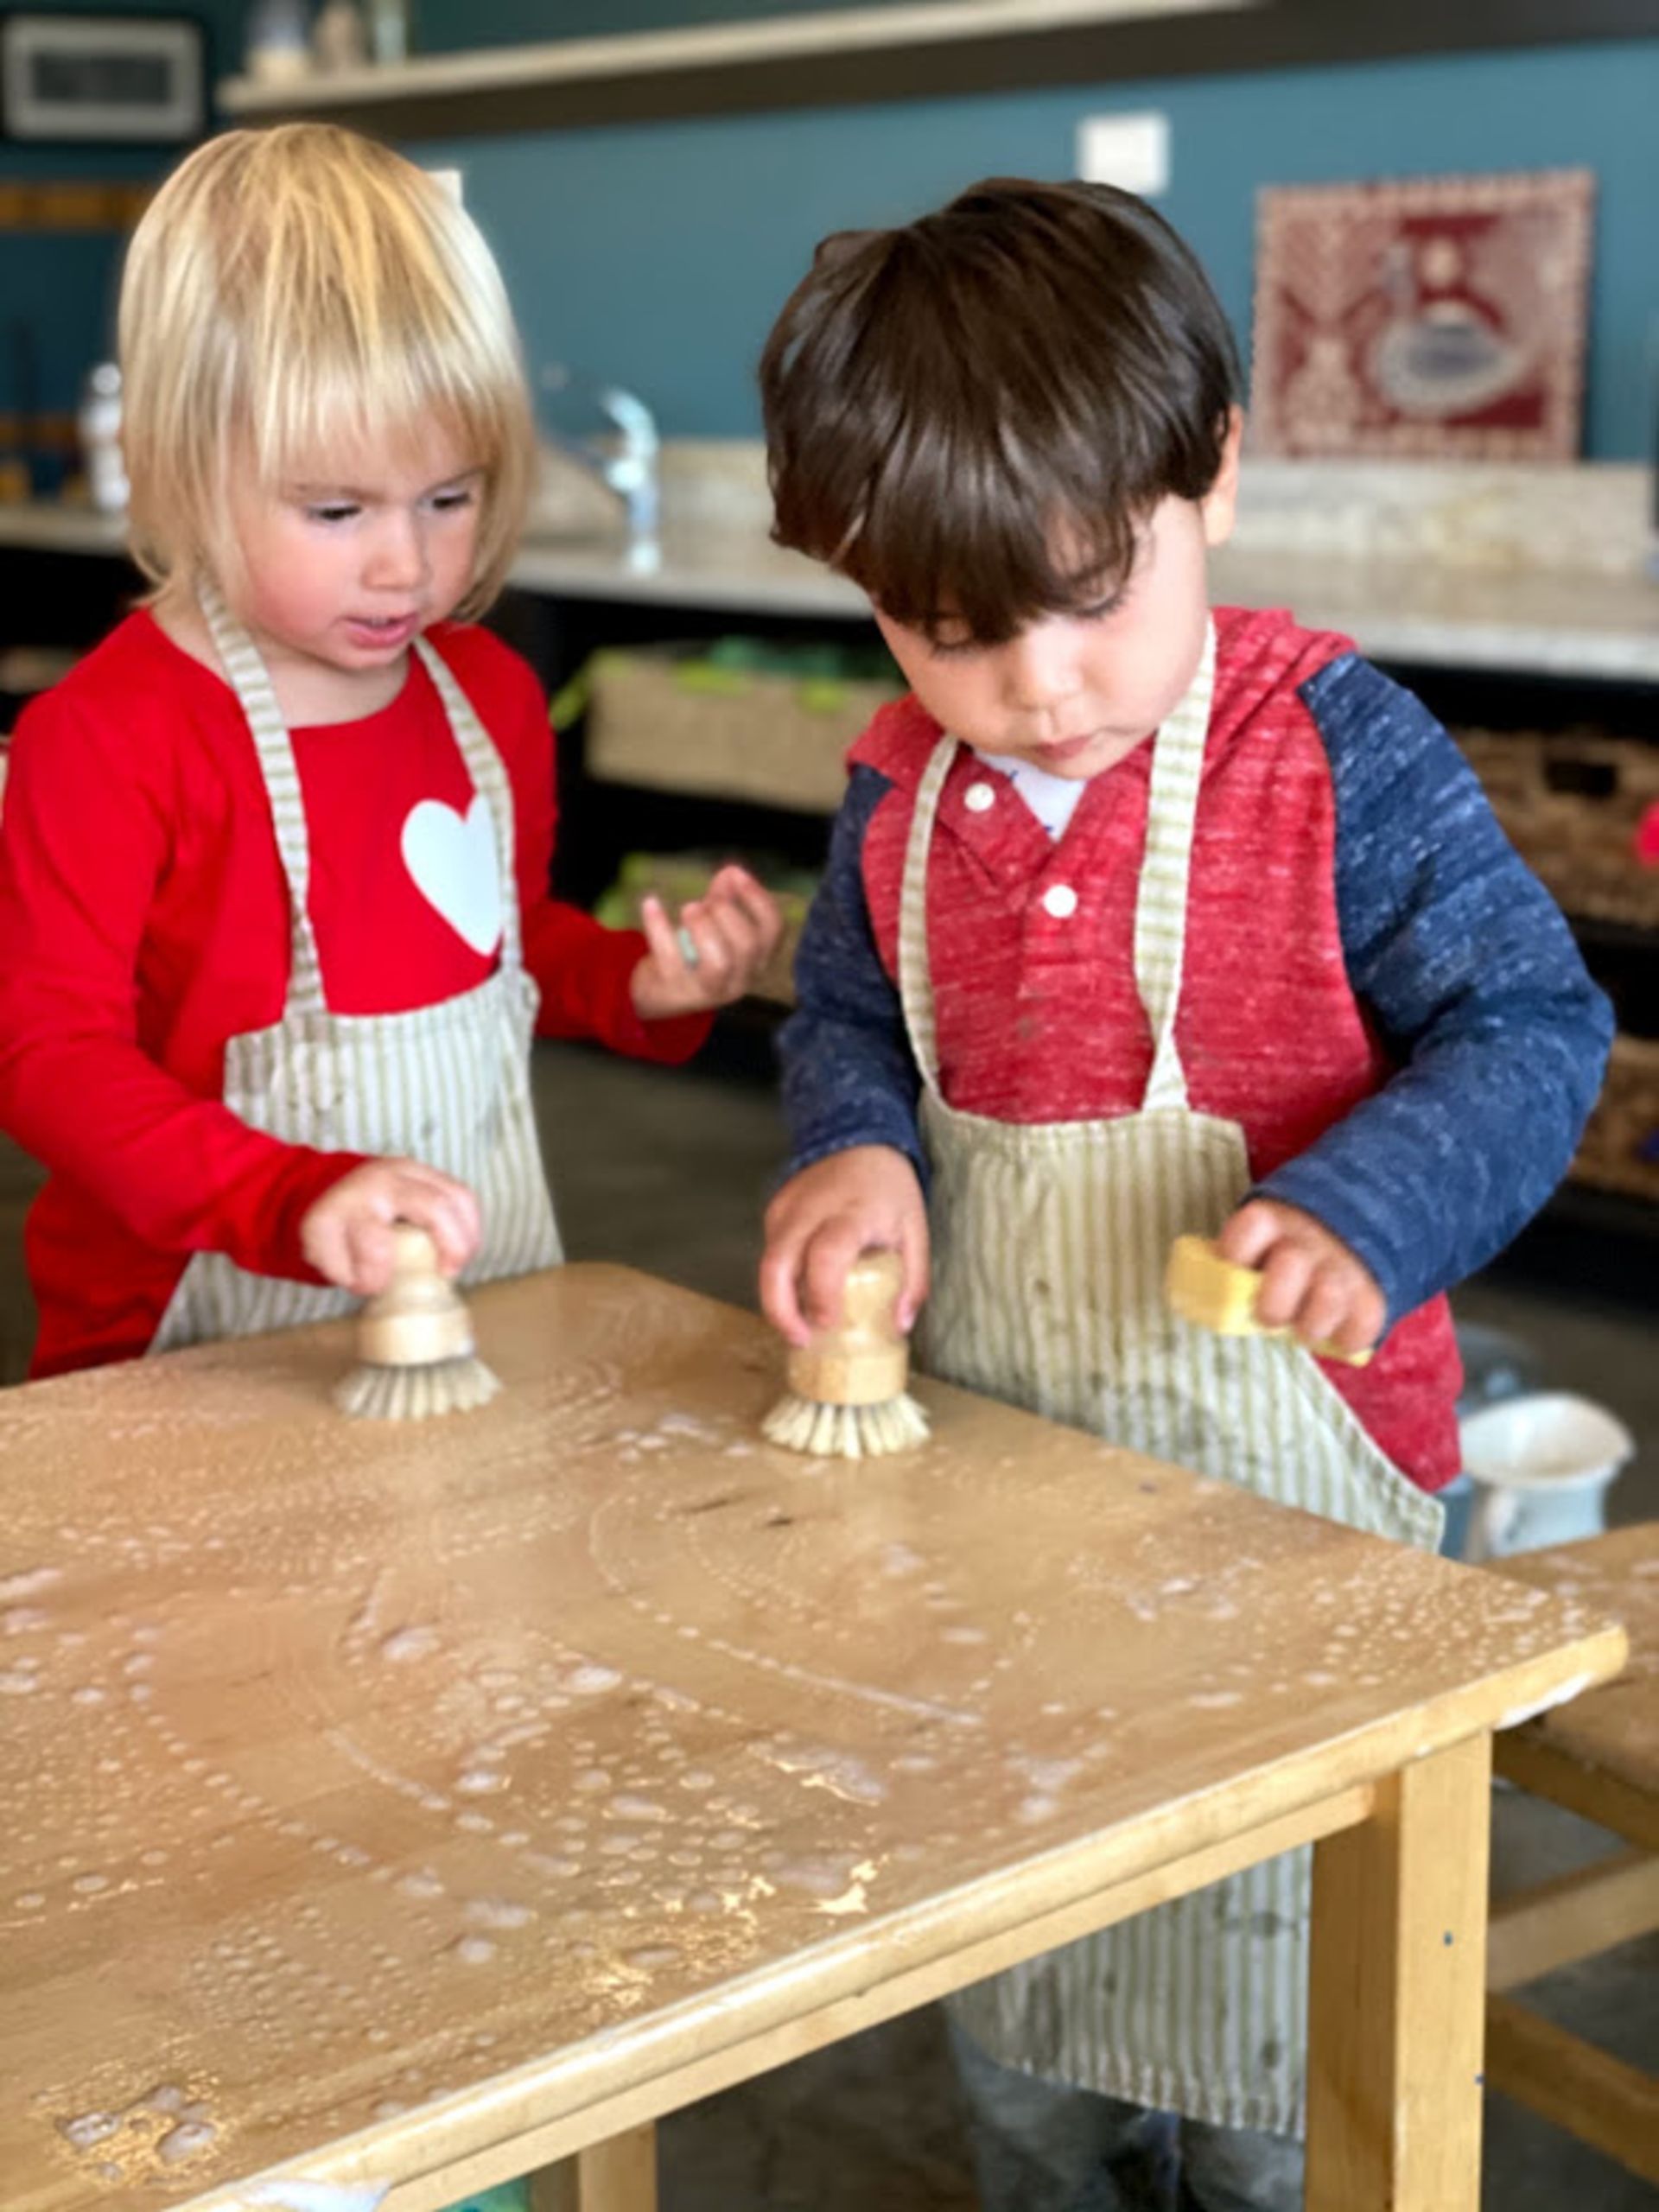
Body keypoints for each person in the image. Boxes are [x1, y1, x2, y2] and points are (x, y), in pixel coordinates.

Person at [756, 177, 1612, 2212]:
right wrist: (849, 1142)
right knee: (1028, 1970)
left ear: (1208, 473)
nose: (1036, 684)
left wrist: (1371, 1209)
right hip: (991, 1508)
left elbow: (1532, 1026)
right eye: (951, 631)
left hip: (1291, 1514)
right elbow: (846, 1020)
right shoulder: (900, 792)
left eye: (1086, 598)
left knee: (1275, 2039)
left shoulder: (1338, 754)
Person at [0, 122, 782, 1381]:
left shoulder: (490, 698)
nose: (404, 566)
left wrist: (640, 982)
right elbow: (50, 1064)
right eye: (335, 510)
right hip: (182, 1349)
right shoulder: (107, 737)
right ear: (187, 465)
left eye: (448, 499)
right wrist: (287, 1199)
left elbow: (506, 949)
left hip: (466, 1308)